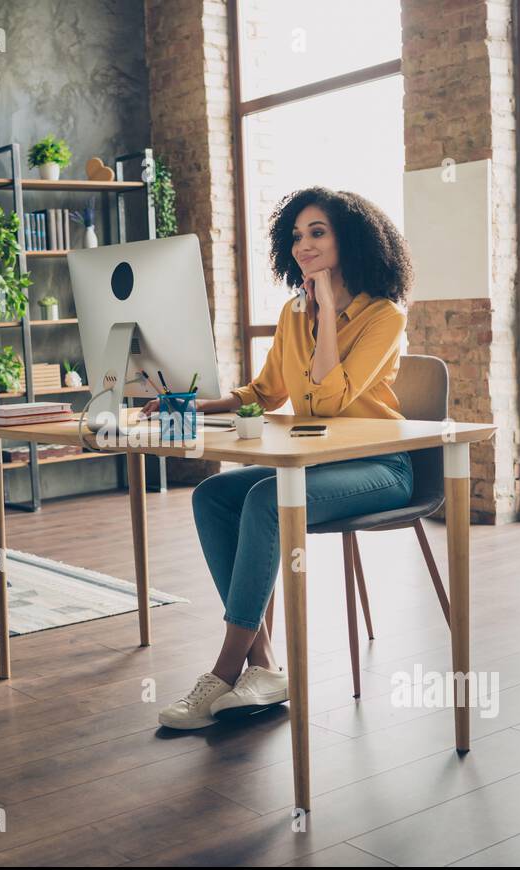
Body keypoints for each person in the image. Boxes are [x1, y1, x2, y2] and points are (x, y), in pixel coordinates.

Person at [141, 187, 416, 729]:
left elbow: (330, 398)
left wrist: (330, 312)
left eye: (318, 232)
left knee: (267, 499)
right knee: (214, 494)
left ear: (350, 240)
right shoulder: (293, 313)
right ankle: (264, 663)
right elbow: (267, 391)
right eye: (296, 236)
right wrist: (196, 402)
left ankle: (224, 669)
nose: (303, 245)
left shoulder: (385, 316)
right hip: (316, 464)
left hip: (382, 468)